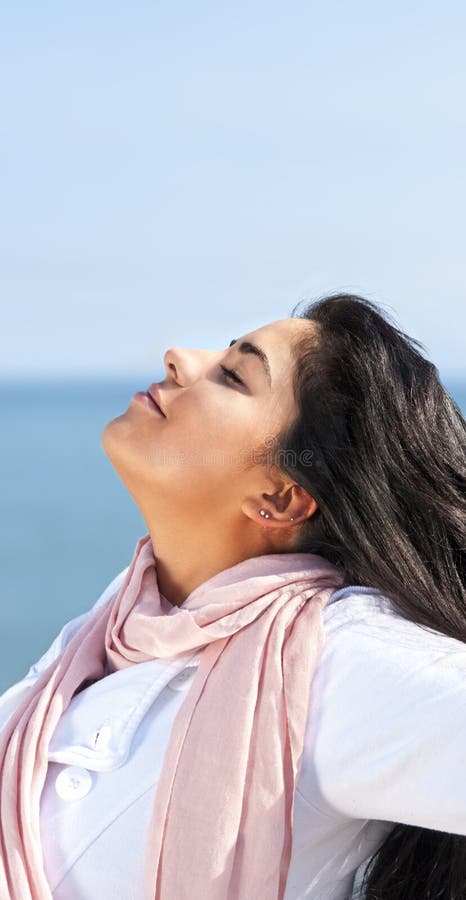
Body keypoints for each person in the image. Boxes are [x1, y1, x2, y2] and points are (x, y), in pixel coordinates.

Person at [0, 291, 465, 900]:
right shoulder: (120, 622)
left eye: (233, 375)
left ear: (279, 498)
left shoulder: (331, 661)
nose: (177, 357)